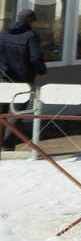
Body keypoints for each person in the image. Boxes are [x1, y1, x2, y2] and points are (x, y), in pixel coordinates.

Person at [1, 9, 47, 150]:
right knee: (16, 113)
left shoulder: (4, 34)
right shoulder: (30, 36)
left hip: (3, 78)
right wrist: (41, 70)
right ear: (31, 21)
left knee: (1, 112)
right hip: (23, 81)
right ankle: (7, 146)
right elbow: (35, 58)